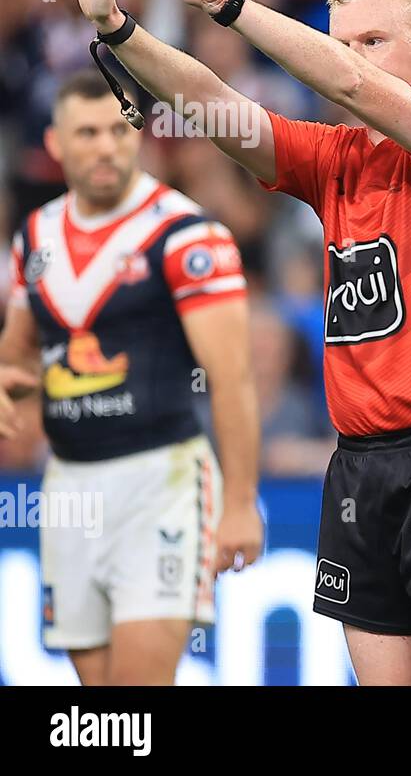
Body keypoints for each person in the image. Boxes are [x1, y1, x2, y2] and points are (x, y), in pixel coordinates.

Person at [62, 0, 411, 685]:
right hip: (359, 468)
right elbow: (214, 105)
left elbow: (346, 83)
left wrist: (228, 4)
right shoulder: (336, 160)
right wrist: (118, 30)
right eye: (345, 40)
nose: (354, 57)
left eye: (376, 40)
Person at [0, 70, 261, 684]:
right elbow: (17, 356)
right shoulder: (35, 238)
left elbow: (233, 377)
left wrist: (242, 503)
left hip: (162, 480)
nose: (105, 147)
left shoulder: (185, 234)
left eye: (119, 130)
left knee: (137, 697)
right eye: (87, 133)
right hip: (68, 487)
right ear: (56, 144)